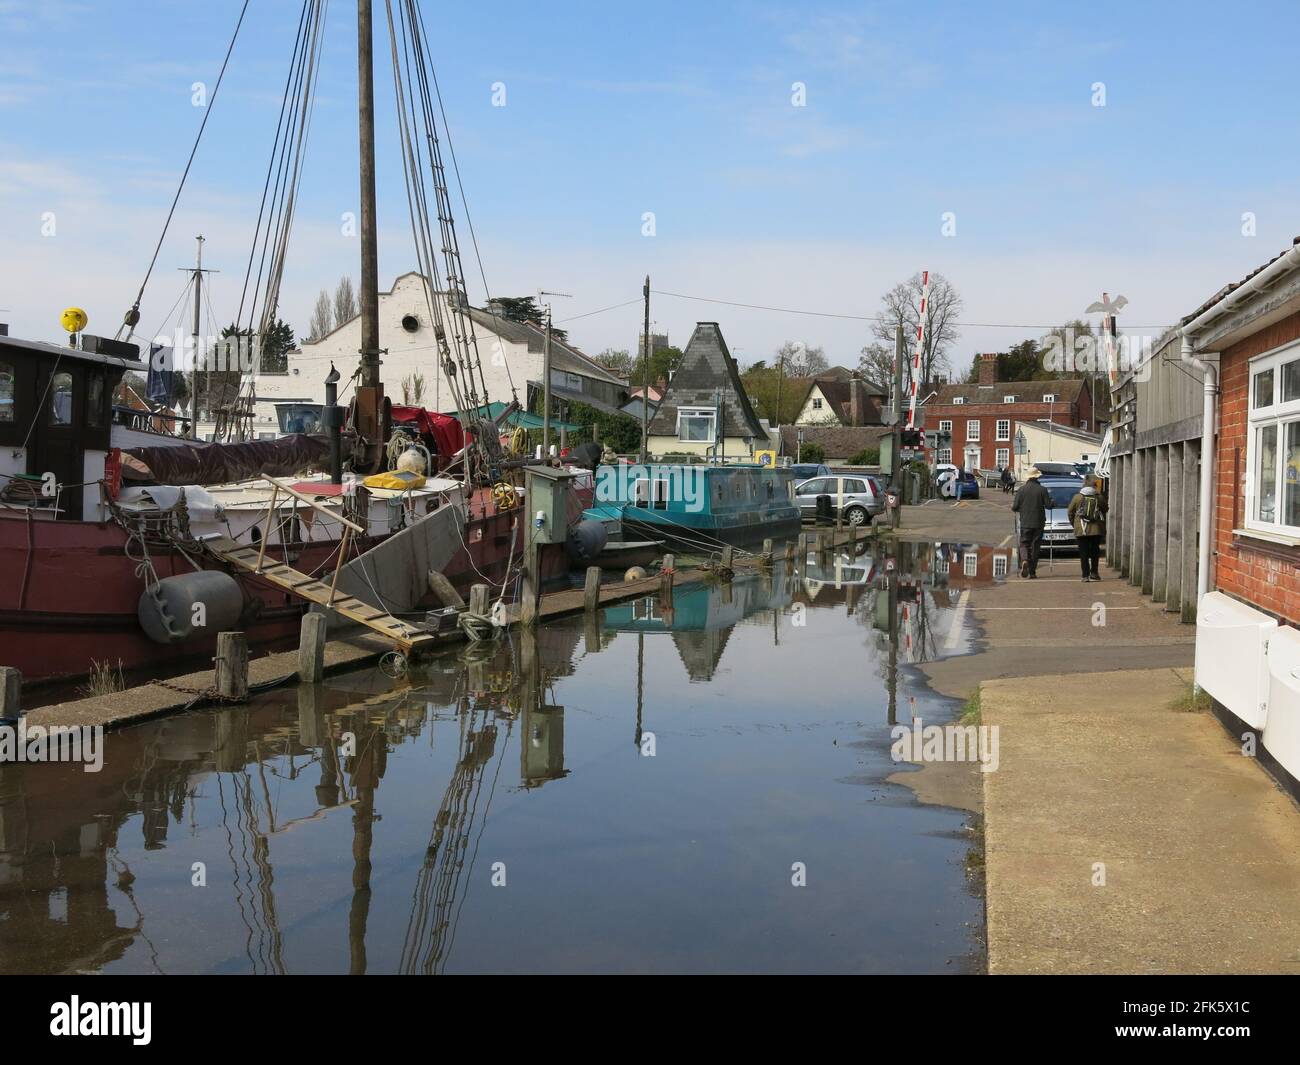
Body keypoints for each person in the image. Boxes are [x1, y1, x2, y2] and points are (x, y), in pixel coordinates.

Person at [1010, 466, 1050, 578]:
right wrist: (1053, 503)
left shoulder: (1022, 490)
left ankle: (1024, 560)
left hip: (1025, 522)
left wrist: (1020, 509)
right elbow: (1048, 505)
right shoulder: (1042, 489)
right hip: (1038, 522)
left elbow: (1015, 507)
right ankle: (1032, 572)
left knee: (1024, 543)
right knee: (1035, 546)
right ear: (1037, 477)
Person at [1068, 475, 1108, 582]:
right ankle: (1094, 573)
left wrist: (1075, 524)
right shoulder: (1098, 497)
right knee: (1095, 552)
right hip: (1096, 529)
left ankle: (1085, 575)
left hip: (1081, 529)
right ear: (1094, 485)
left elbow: (1070, 512)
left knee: (1083, 553)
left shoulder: (1077, 497)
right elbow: (1106, 509)